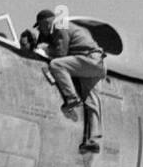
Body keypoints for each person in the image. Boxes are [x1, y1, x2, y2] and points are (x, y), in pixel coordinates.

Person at [22, 8, 106, 153]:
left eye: (40, 26)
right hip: (96, 63)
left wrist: (45, 50)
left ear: (47, 23)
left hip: (89, 59)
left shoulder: (61, 26)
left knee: (56, 65)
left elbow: (61, 53)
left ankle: (72, 98)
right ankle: (93, 140)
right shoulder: (62, 27)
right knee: (91, 102)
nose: (40, 31)